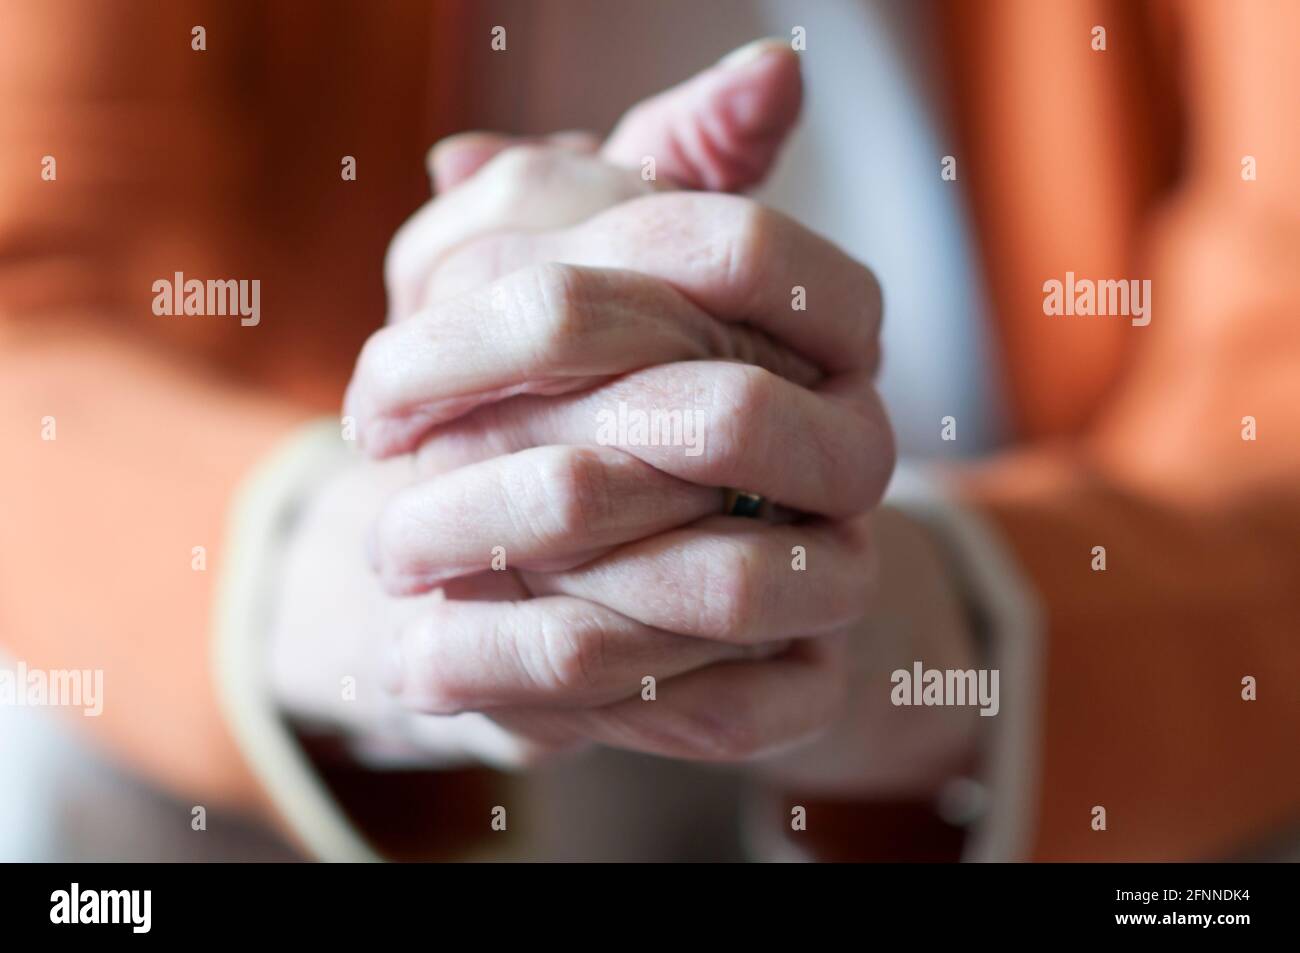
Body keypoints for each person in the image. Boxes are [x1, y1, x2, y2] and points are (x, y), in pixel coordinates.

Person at [2, 0, 1297, 862]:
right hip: (357, 646)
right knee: (64, 767)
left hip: (997, 617)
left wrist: (935, 619)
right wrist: (365, 568)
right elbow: (36, 313)